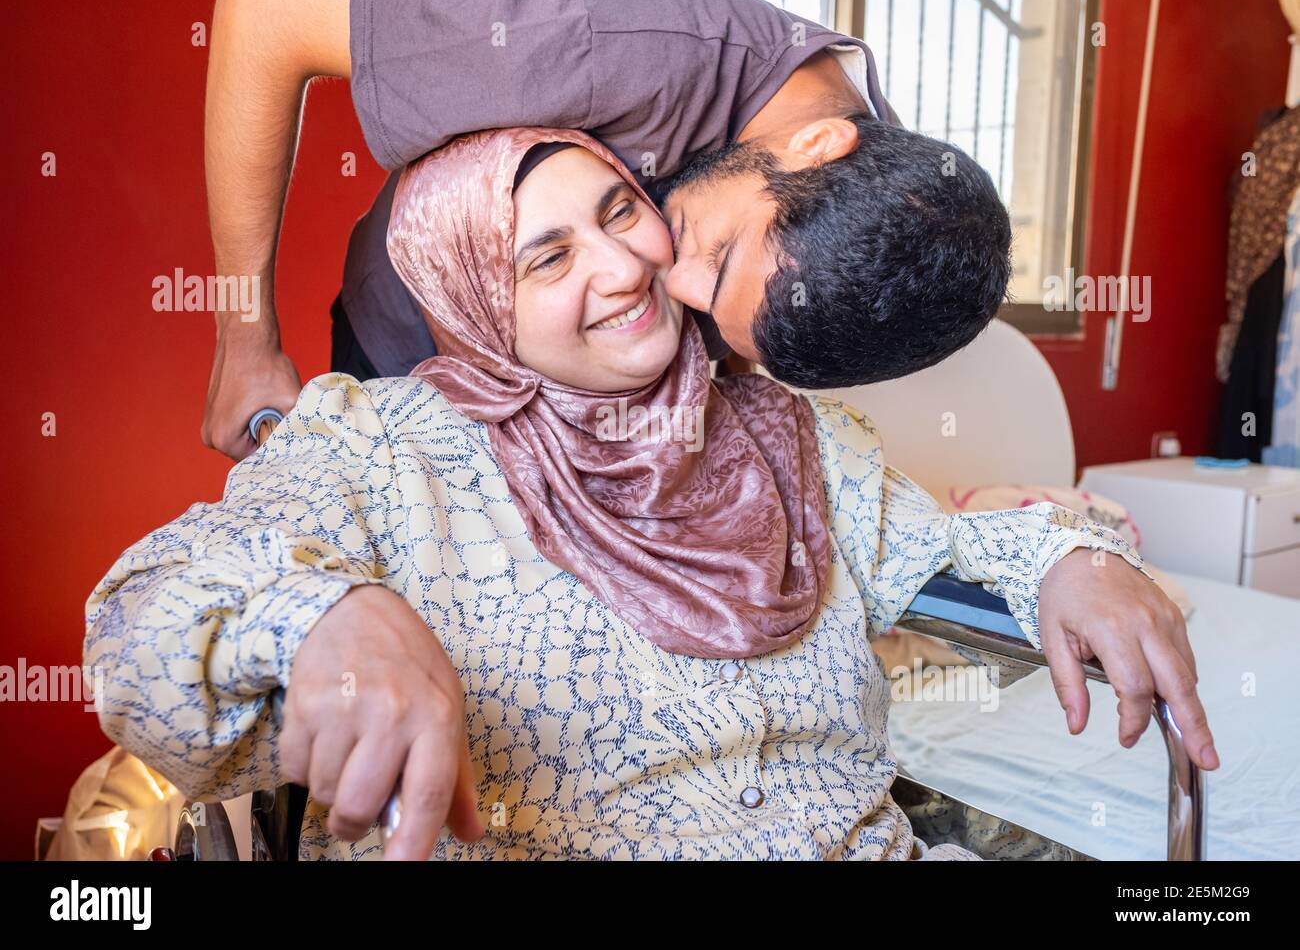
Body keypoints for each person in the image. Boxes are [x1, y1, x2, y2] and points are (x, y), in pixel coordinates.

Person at [88, 128, 1215, 861]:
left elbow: (948, 542)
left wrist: (1075, 557)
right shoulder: (381, 445)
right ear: (470, 295)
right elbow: (142, 625)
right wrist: (325, 612)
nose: (623, 268)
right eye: (545, 258)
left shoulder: (798, 430)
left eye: (621, 212)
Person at [202, 0, 1010, 459]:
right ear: (813, 147)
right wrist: (247, 344)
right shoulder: (592, 44)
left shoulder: (879, 196)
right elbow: (267, 17)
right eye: (717, 260)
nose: (667, 277)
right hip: (411, 354)